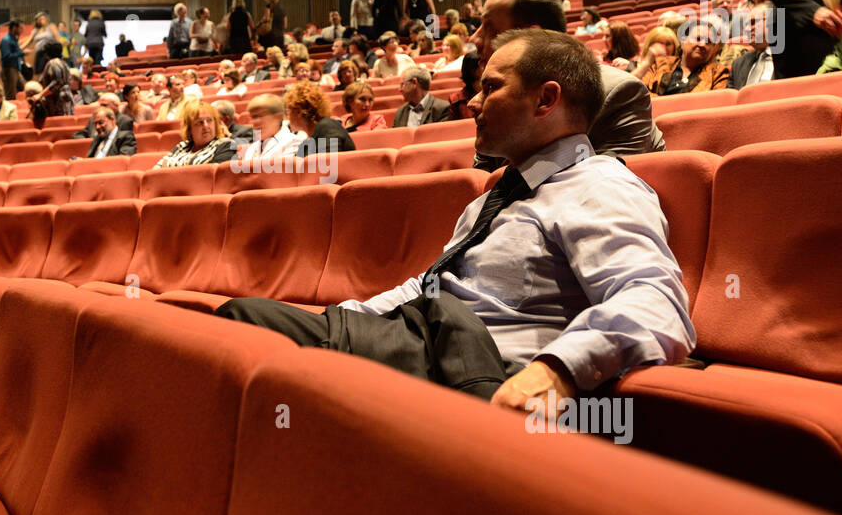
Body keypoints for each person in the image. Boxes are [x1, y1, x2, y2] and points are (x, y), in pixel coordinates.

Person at [217, 28, 694, 407]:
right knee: (237, 327)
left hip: (473, 364)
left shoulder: (598, 184)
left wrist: (559, 369)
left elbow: (655, 300)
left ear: (546, 100)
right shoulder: (494, 197)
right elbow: (427, 286)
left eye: (491, 88)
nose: (472, 102)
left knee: (246, 325)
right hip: (419, 336)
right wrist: (339, 322)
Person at [469, 0, 664, 159]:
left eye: (488, 27)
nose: (474, 40)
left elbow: (605, 185)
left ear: (529, 36)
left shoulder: (616, 94)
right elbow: (491, 185)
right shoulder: (499, 98)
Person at [638, 18, 730, 95]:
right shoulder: (660, 64)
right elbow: (641, 92)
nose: (702, 44)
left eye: (708, 42)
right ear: (682, 41)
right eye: (698, 39)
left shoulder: (717, 73)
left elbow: (714, 102)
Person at [155, 101, 238, 168]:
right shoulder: (182, 146)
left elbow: (208, 175)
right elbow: (156, 171)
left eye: (209, 120)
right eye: (199, 122)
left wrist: (171, 167)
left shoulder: (226, 144)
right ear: (189, 128)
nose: (206, 126)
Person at [285, 80, 356, 158]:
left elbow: (330, 166)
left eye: (288, 111)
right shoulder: (307, 141)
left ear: (299, 112)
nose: (287, 117)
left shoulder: (327, 127)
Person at [238, 94, 304, 162]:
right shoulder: (252, 148)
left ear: (278, 117)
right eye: (253, 117)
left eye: (259, 116)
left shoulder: (294, 142)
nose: (254, 122)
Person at [729, 6, 778, 90]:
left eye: (752, 23)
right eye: (746, 25)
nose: (747, 29)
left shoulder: (793, 57)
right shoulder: (738, 64)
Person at [447, 52, 482, 120]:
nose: (481, 84)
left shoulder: (497, 95)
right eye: (477, 79)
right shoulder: (456, 101)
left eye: (484, 79)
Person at [28, 12, 61, 77]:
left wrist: (59, 50)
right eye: (40, 19)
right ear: (37, 21)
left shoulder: (51, 26)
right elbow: (28, 41)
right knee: (39, 72)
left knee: (49, 71)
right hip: (39, 53)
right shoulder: (35, 30)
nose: (42, 20)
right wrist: (19, 48)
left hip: (48, 52)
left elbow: (58, 39)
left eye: (43, 18)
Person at [0, 19, 26, 97]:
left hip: (16, 68)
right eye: (21, 28)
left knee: (25, 88)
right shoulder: (6, 40)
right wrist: (22, 53)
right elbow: (6, 56)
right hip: (9, 69)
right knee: (11, 94)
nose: (22, 30)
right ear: (14, 28)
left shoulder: (14, 38)